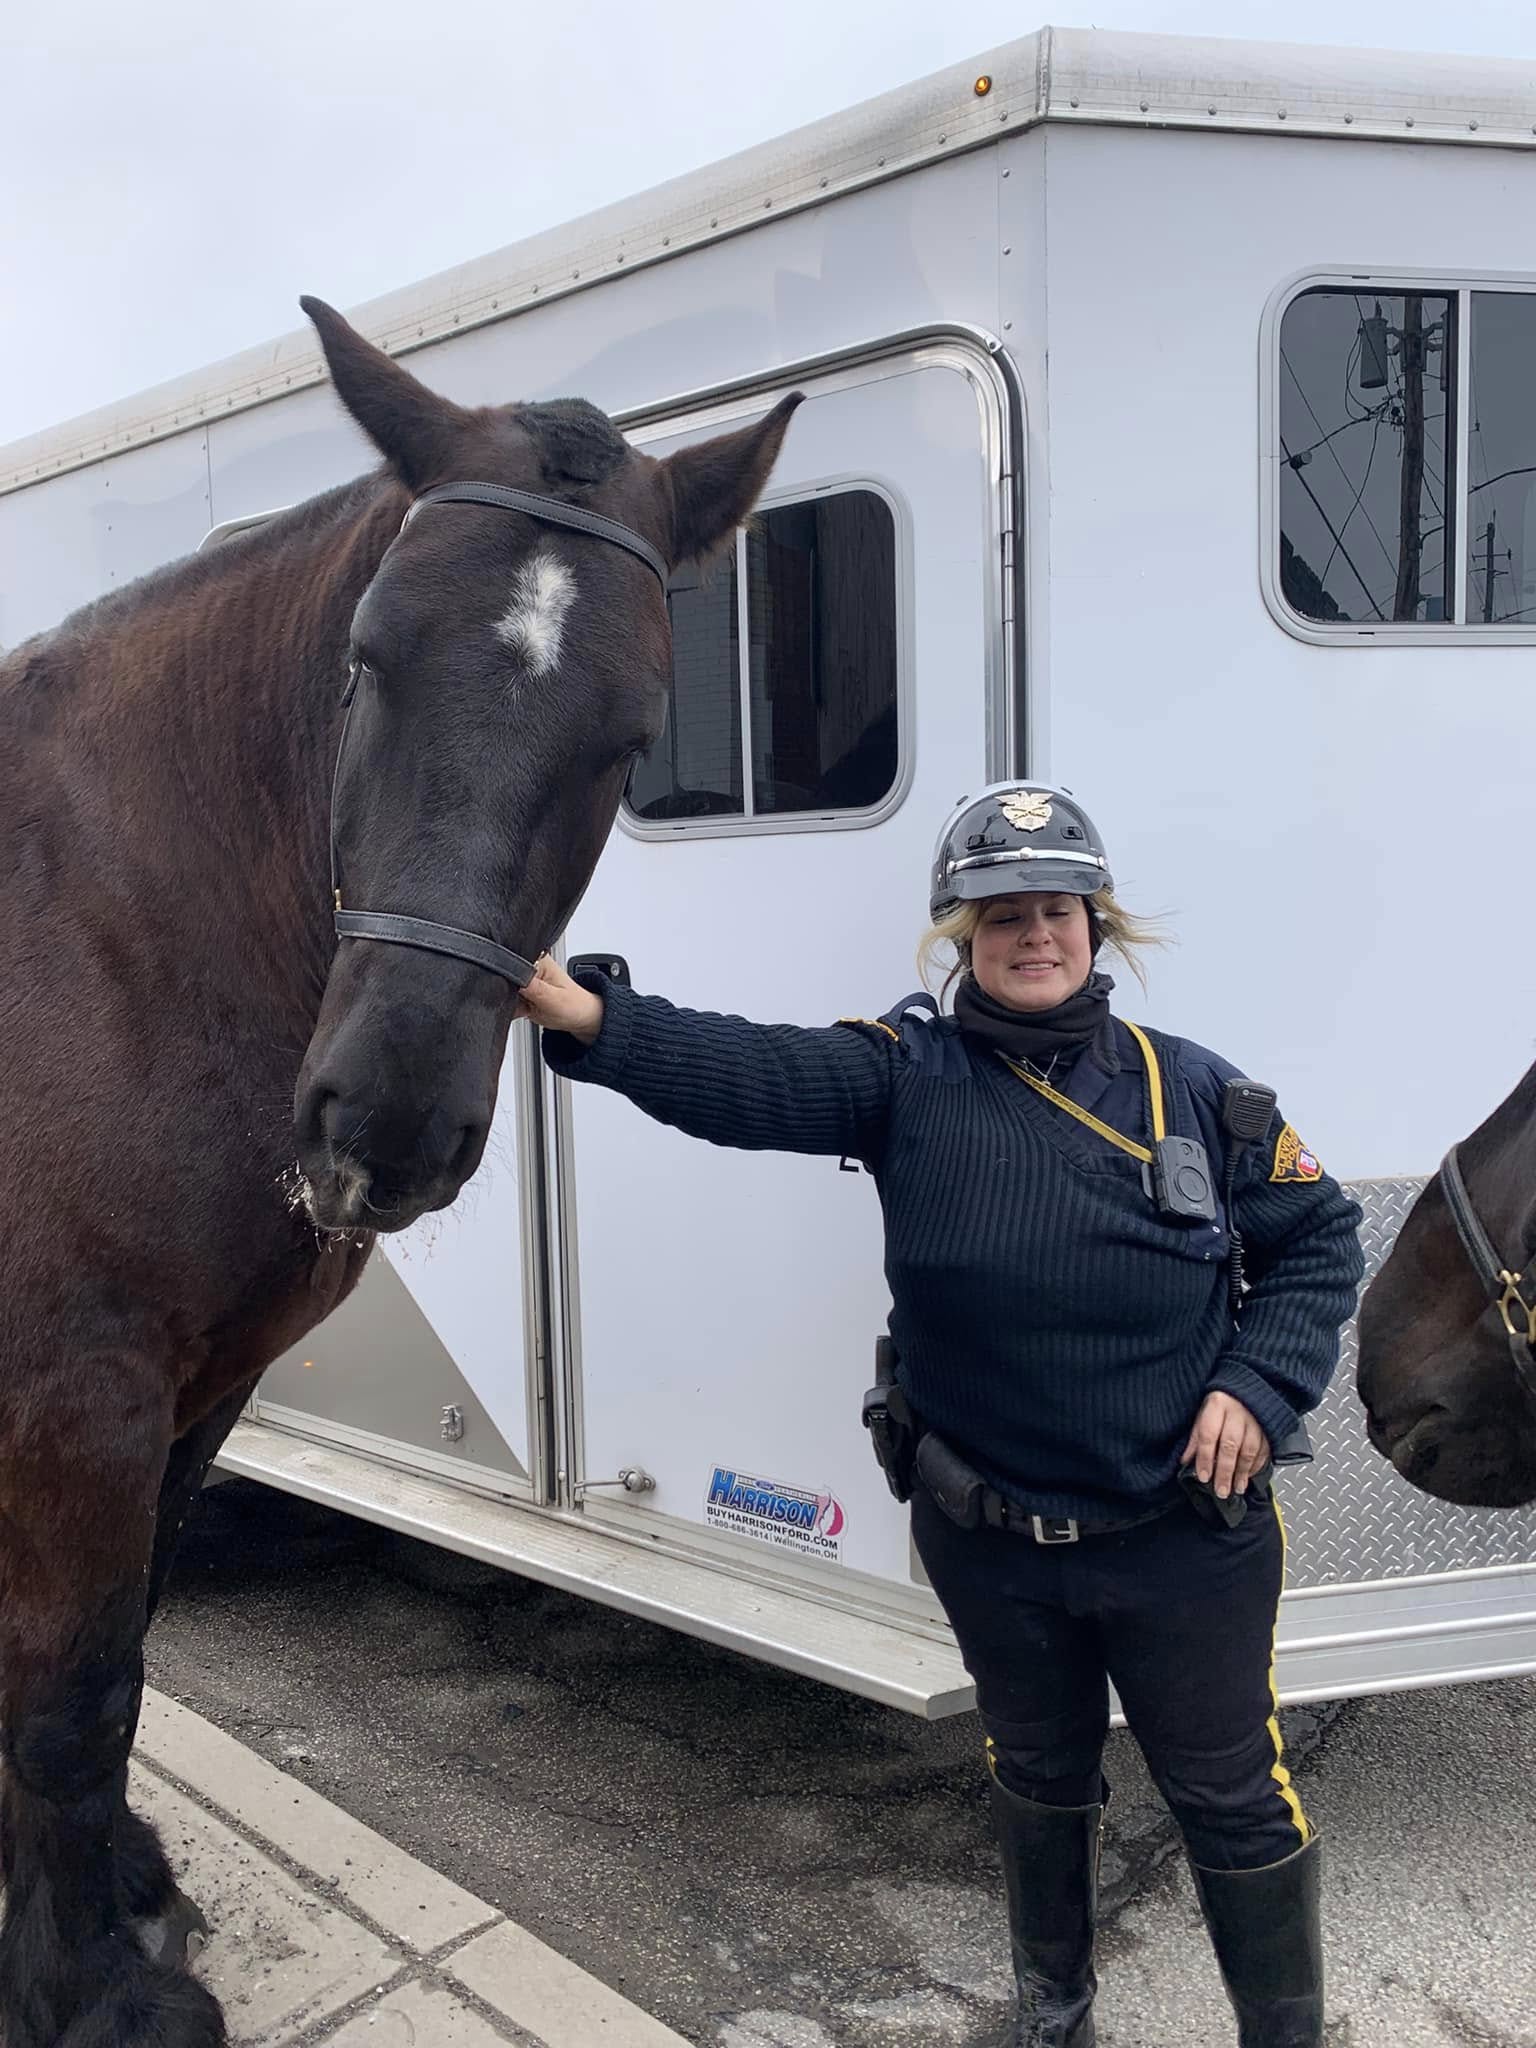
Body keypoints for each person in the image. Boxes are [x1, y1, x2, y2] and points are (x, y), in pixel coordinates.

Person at [516, 783, 1364, 2048]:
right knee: (1036, 1769)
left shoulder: (1196, 1090)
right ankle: (1053, 2010)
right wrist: (587, 1015)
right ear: (958, 938)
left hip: (1184, 1536)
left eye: (1057, 910)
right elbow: (750, 1073)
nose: (1034, 933)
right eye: (1001, 913)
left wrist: (1258, 1382)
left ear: (1097, 925)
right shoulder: (902, 1074)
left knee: (1232, 1794)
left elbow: (1320, 1242)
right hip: (994, 1537)